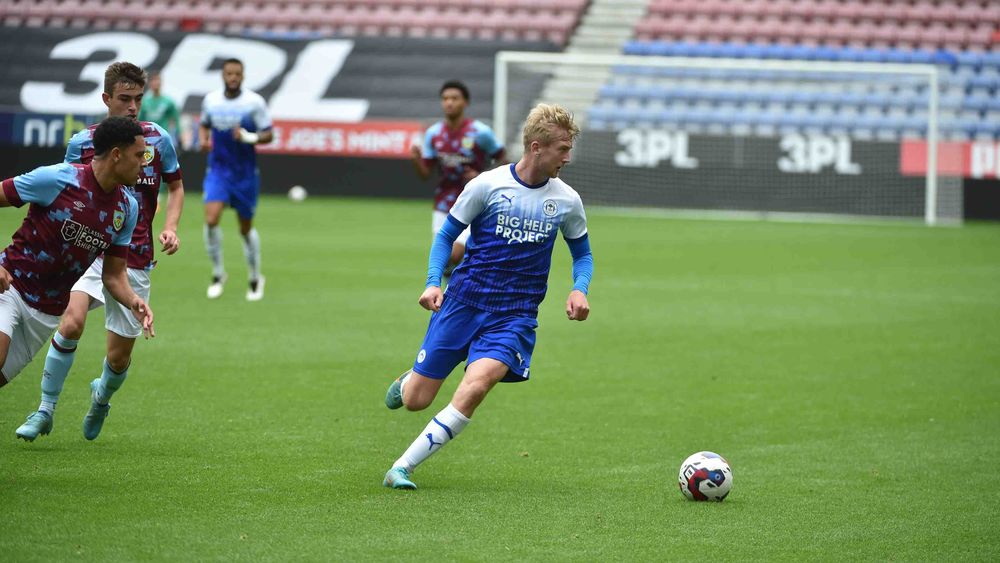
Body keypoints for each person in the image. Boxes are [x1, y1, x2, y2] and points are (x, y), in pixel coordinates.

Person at [382, 103, 594, 490]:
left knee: (476, 387)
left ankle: (401, 467)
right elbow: (446, 237)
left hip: (514, 316)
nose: (568, 156)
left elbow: (582, 253)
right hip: (463, 301)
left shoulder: (566, 200)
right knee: (416, 400)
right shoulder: (487, 185)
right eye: (562, 148)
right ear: (536, 147)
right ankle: (411, 377)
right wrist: (433, 282)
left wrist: (579, 288)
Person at [15, 63, 181, 442]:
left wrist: (170, 226)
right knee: (70, 322)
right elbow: (65, 193)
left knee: (119, 358)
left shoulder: (158, 140)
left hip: (133, 259)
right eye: (125, 99)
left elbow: (177, 186)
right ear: (107, 99)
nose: (134, 107)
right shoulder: (82, 143)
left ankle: (101, 396)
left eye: (139, 99)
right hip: (88, 251)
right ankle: (45, 410)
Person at [1, 117, 153, 434]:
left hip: (45, 315)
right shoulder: (57, 179)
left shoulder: (126, 208)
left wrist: (133, 300)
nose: (144, 164)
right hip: (10, 286)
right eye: (139, 156)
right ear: (116, 154)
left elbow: (113, 276)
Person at [410, 80, 507, 277]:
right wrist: (415, 160)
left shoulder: (480, 132)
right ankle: (450, 297)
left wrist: (481, 176)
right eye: (445, 99)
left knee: (455, 253)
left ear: (465, 102)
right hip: (443, 204)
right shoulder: (433, 134)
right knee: (445, 259)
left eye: (454, 98)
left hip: (473, 202)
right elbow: (425, 174)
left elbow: (503, 161)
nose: (449, 103)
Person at [199, 58, 273, 301]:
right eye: (229, 73)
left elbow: (268, 134)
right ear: (223, 75)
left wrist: (248, 137)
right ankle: (218, 273)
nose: (233, 77)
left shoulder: (254, 102)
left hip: (244, 174)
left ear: (243, 76)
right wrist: (203, 140)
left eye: (237, 74)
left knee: (245, 228)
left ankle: (254, 277)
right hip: (218, 171)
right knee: (211, 219)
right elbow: (204, 124)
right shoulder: (211, 100)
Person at [138, 71, 181, 144]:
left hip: (163, 138)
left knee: (164, 155)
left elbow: (176, 120)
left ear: (161, 82)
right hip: (149, 139)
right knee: (149, 155)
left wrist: (179, 136)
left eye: (157, 80)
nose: (155, 82)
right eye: (153, 80)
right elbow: (140, 121)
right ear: (149, 83)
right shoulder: (144, 102)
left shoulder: (169, 101)